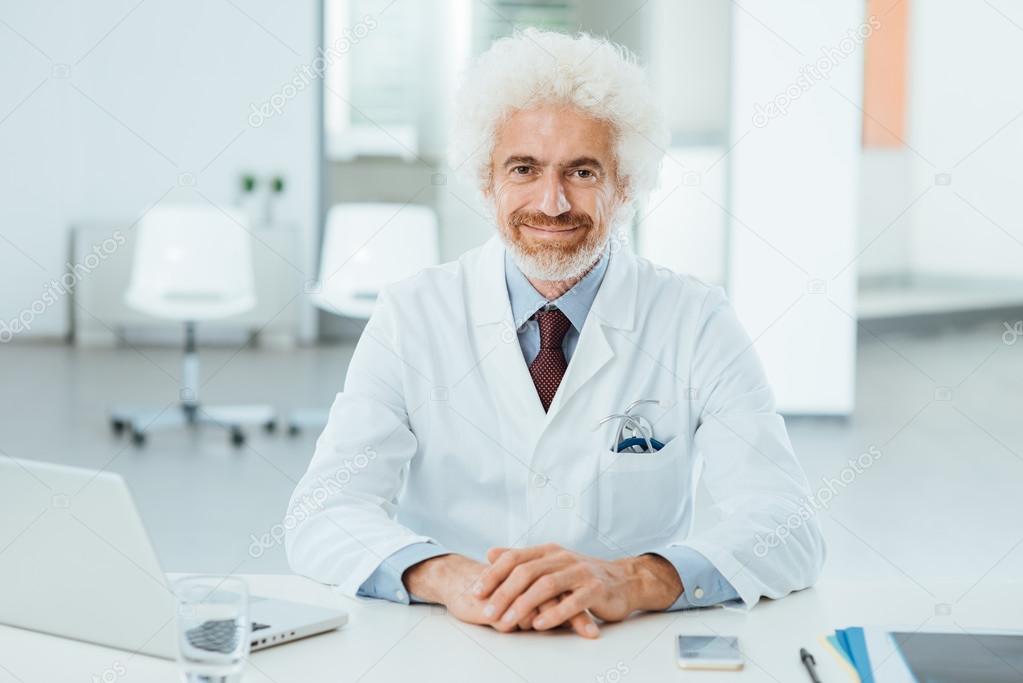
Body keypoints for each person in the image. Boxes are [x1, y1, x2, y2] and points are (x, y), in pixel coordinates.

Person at [286, 28, 824, 639]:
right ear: (486, 180)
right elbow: (322, 512)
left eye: (583, 172)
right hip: (450, 643)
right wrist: (447, 576)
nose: (552, 202)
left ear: (626, 186)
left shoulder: (694, 320)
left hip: (628, 644)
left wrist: (636, 580)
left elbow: (789, 525)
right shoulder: (411, 315)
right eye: (524, 168)